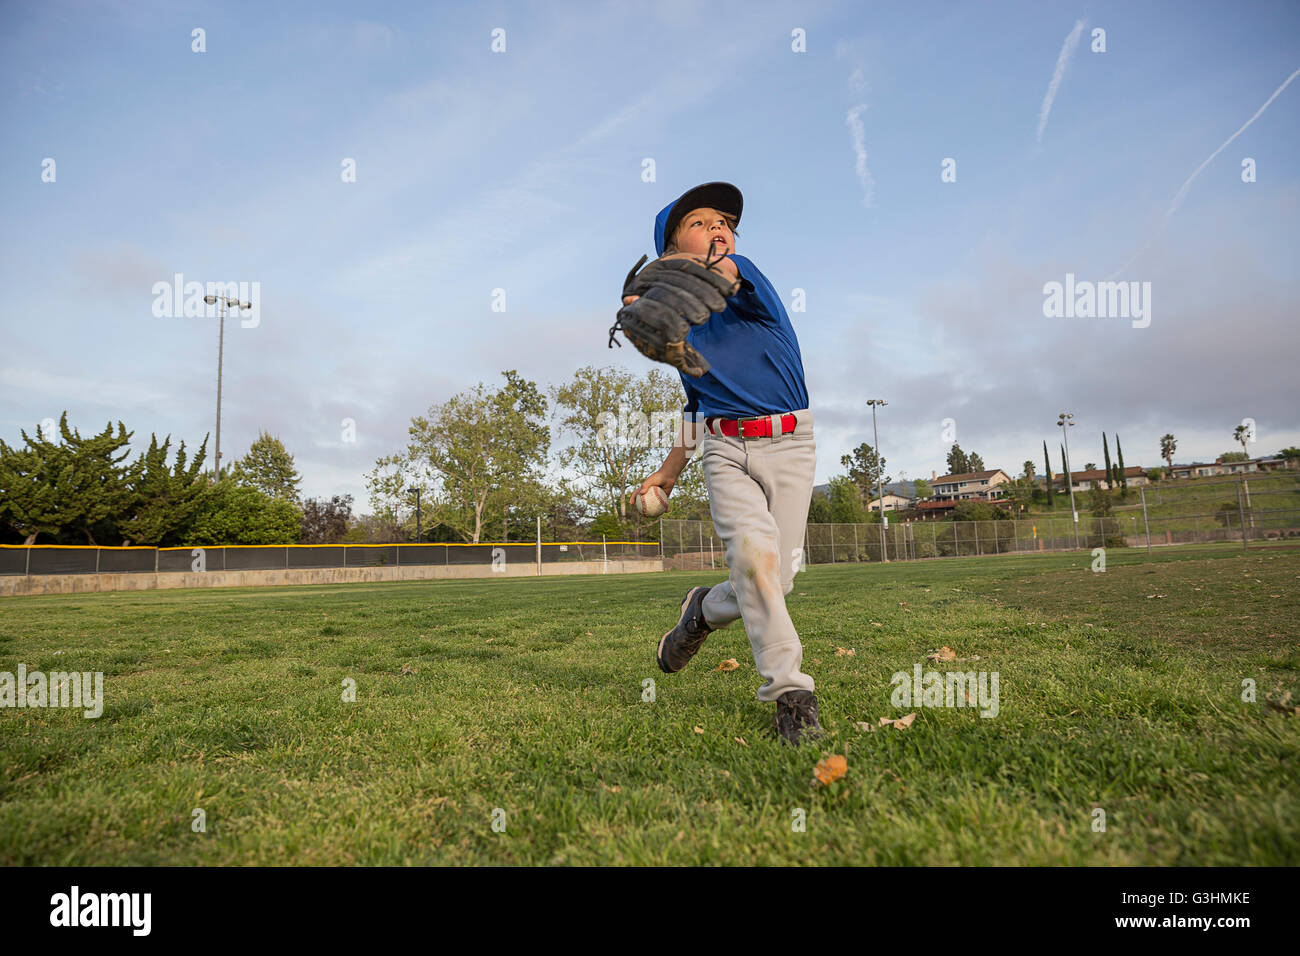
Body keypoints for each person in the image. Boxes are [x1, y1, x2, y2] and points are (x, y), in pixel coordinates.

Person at [628, 182, 822, 745]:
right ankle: (790, 694)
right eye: (701, 221)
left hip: (791, 443)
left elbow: (728, 275)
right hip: (725, 451)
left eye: (726, 222)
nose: (720, 228)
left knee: (776, 579)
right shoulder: (682, 337)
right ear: (669, 252)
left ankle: (703, 612)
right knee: (755, 561)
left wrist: (692, 280)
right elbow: (697, 410)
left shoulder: (746, 279)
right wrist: (665, 476)